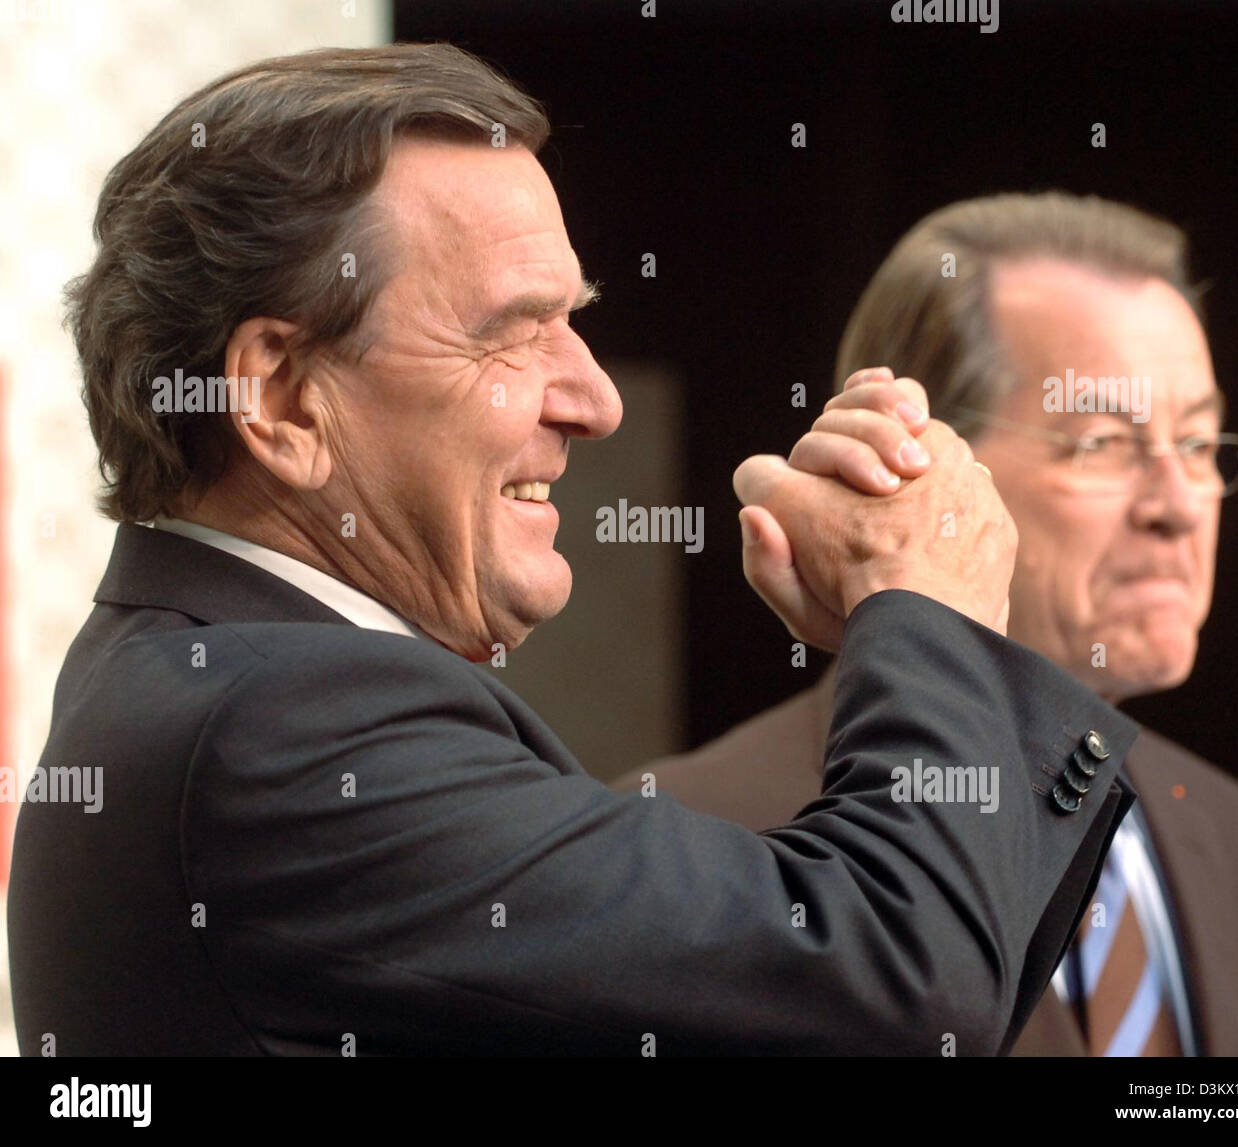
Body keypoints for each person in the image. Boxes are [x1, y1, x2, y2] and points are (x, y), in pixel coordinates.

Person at [8, 48, 1135, 1057]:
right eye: (515, 329)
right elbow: (888, 986)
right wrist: (924, 612)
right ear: (283, 398)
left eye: (577, 319)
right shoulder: (285, 727)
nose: (594, 400)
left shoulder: (208, 680)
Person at [624, 192, 1238, 1056]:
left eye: (1201, 445)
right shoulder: (695, 848)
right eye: (1103, 444)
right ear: (918, 467)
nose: (1178, 506)